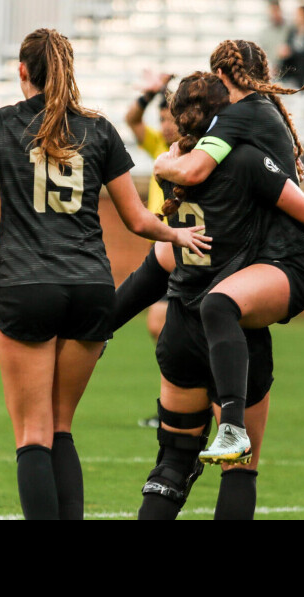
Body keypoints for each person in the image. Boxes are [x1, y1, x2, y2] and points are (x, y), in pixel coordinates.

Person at [0, 28, 210, 521]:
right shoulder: (99, 130)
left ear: (22, 72)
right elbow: (138, 221)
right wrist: (179, 236)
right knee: (61, 428)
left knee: (32, 435)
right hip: (91, 290)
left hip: (26, 285)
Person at [138, 71, 304, 520]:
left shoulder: (173, 168)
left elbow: (155, 265)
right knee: (240, 471)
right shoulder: (243, 161)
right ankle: (233, 429)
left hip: (182, 323)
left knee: (173, 462)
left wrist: (101, 325)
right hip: (235, 333)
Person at [124, 69, 178, 429]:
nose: (162, 123)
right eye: (159, 117)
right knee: (160, 327)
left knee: (164, 325)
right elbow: (130, 120)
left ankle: (181, 406)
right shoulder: (160, 145)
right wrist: (150, 93)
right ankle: (174, 406)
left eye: (167, 116)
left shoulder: (196, 152)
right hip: (163, 253)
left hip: (185, 253)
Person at [257, 1, 288, 80]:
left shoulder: (290, 29)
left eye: (276, 11)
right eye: (272, 12)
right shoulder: (264, 33)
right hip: (271, 73)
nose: (275, 15)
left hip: (288, 71)